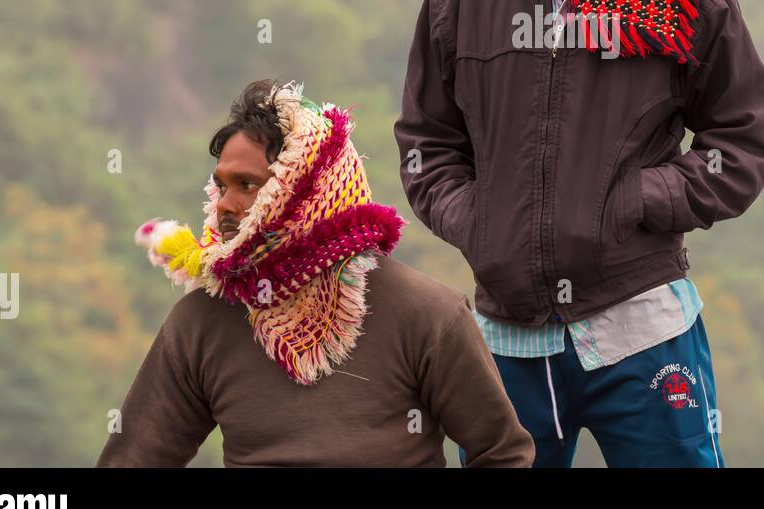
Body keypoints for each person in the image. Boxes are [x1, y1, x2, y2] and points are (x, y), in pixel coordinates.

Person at [394, 0, 764, 467]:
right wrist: (477, 219)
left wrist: (644, 198)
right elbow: (426, 140)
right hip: (505, 341)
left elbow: (743, 141)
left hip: (643, 327)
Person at [98, 79, 533, 467]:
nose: (225, 205)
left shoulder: (428, 314)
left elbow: (502, 453)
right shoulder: (200, 322)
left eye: (247, 186)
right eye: (222, 186)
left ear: (306, 190)